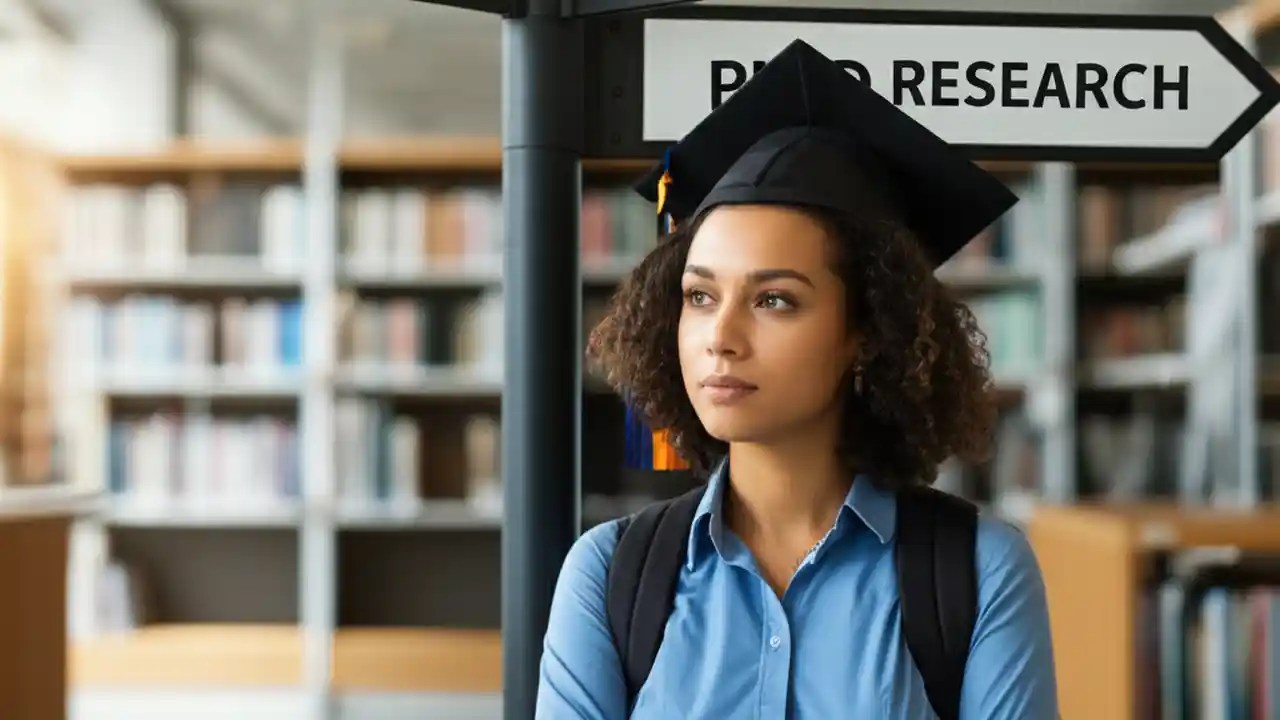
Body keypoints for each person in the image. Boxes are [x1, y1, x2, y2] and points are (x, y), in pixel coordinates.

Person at [535, 39, 1059, 719]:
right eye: (699, 297)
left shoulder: (976, 573)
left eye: (774, 299)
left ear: (866, 333)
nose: (720, 337)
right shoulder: (610, 574)